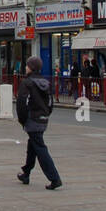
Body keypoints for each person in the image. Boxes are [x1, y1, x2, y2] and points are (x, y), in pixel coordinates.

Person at [16, 55, 62, 189]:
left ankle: (55, 178)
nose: (25, 67)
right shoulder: (45, 83)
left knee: (40, 148)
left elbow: (21, 104)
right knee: (33, 144)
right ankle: (26, 173)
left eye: (27, 65)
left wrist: (23, 120)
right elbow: (50, 102)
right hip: (43, 119)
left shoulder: (27, 83)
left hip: (32, 119)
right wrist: (46, 114)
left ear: (31, 68)